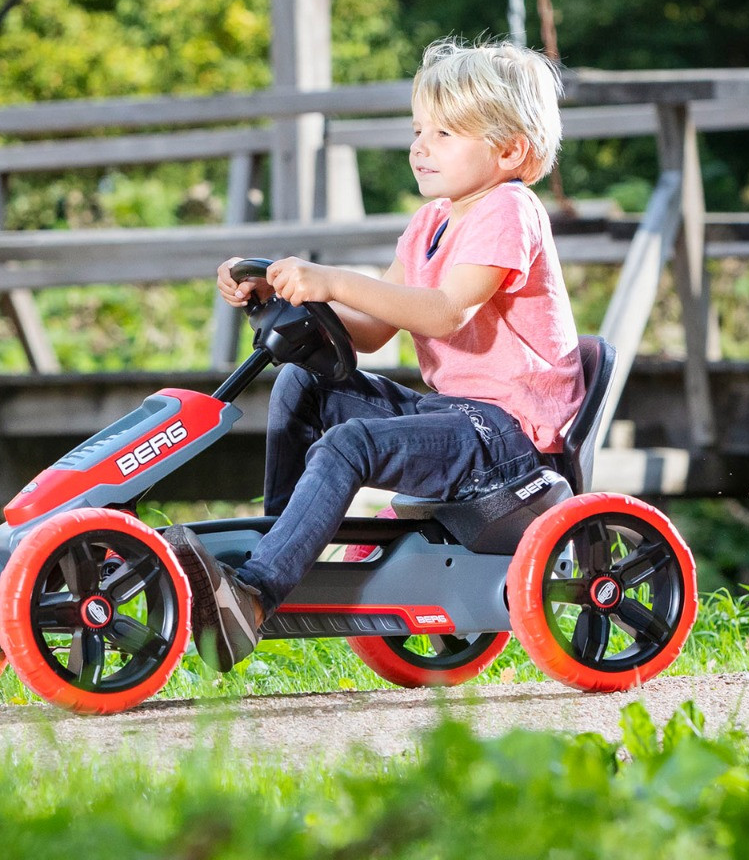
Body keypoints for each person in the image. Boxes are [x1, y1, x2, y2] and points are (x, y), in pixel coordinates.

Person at [164, 38, 586, 672]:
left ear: (508, 151)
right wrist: (283, 294)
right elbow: (369, 334)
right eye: (418, 129)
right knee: (302, 385)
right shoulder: (429, 223)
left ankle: (255, 595)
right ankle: (274, 551)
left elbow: (445, 311)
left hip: (510, 440)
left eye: (444, 133)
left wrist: (333, 280)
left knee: (351, 443)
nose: (420, 146)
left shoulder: (508, 210)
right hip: (458, 416)